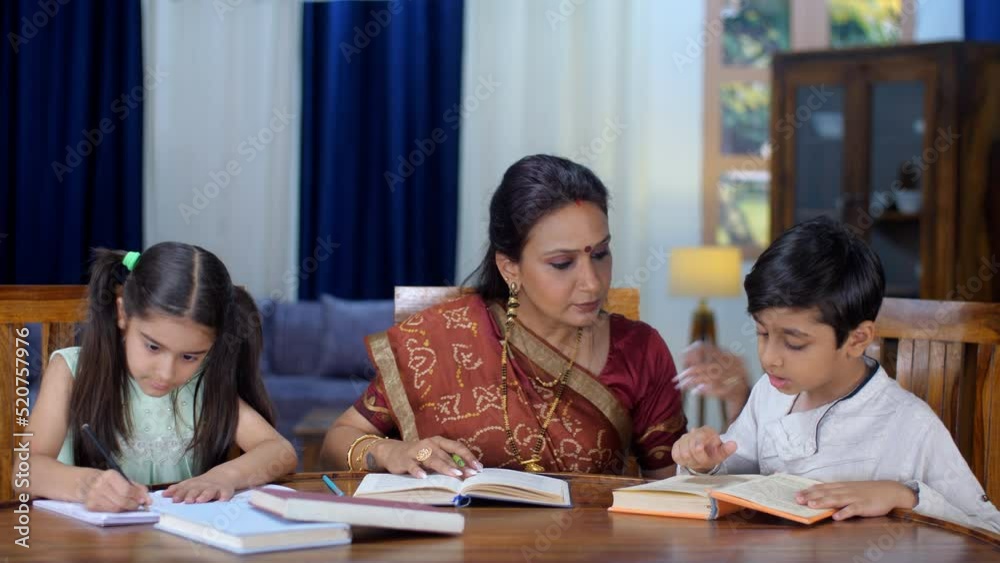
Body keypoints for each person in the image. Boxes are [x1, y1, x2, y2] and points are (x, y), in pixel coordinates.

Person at [321, 154, 686, 478]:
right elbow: (337, 441)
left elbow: (671, 488)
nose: (591, 283)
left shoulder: (639, 350)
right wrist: (389, 450)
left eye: (601, 254)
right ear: (510, 267)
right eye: (562, 263)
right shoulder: (437, 339)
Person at [671, 217, 1000, 533]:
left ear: (857, 339)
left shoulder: (911, 425)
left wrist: (905, 496)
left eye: (795, 342)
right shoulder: (768, 394)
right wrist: (705, 461)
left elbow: (988, 529)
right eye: (761, 333)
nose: (770, 358)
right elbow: (735, 469)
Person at [20, 243, 297, 512]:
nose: (166, 373)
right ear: (122, 314)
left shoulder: (203, 380)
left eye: (189, 356)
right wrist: (86, 485)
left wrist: (224, 476)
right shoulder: (71, 371)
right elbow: (27, 469)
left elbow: (279, 451)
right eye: (153, 346)